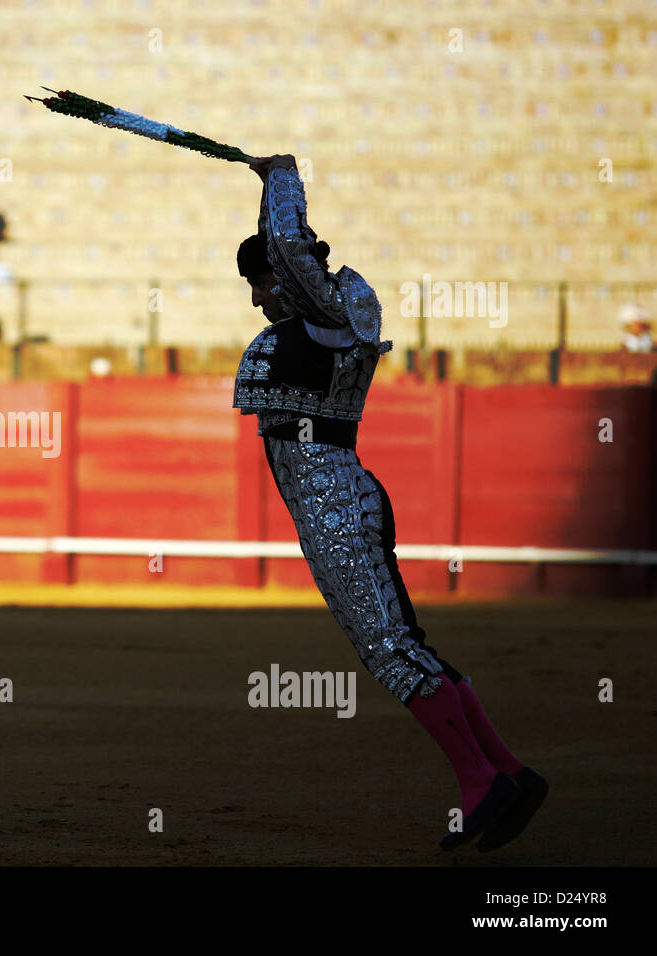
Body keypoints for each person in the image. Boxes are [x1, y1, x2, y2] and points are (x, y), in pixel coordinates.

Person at [232, 154, 546, 851]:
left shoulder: (329, 309)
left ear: (287, 276)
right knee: (406, 643)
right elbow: (282, 247)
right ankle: (506, 770)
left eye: (259, 284)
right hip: (341, 501)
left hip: (336, 509)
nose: (257, 299)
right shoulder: (326, 316)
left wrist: (280, 177)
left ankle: (478, 782)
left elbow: (286, 245)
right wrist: (265, 194)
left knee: (388, 650)